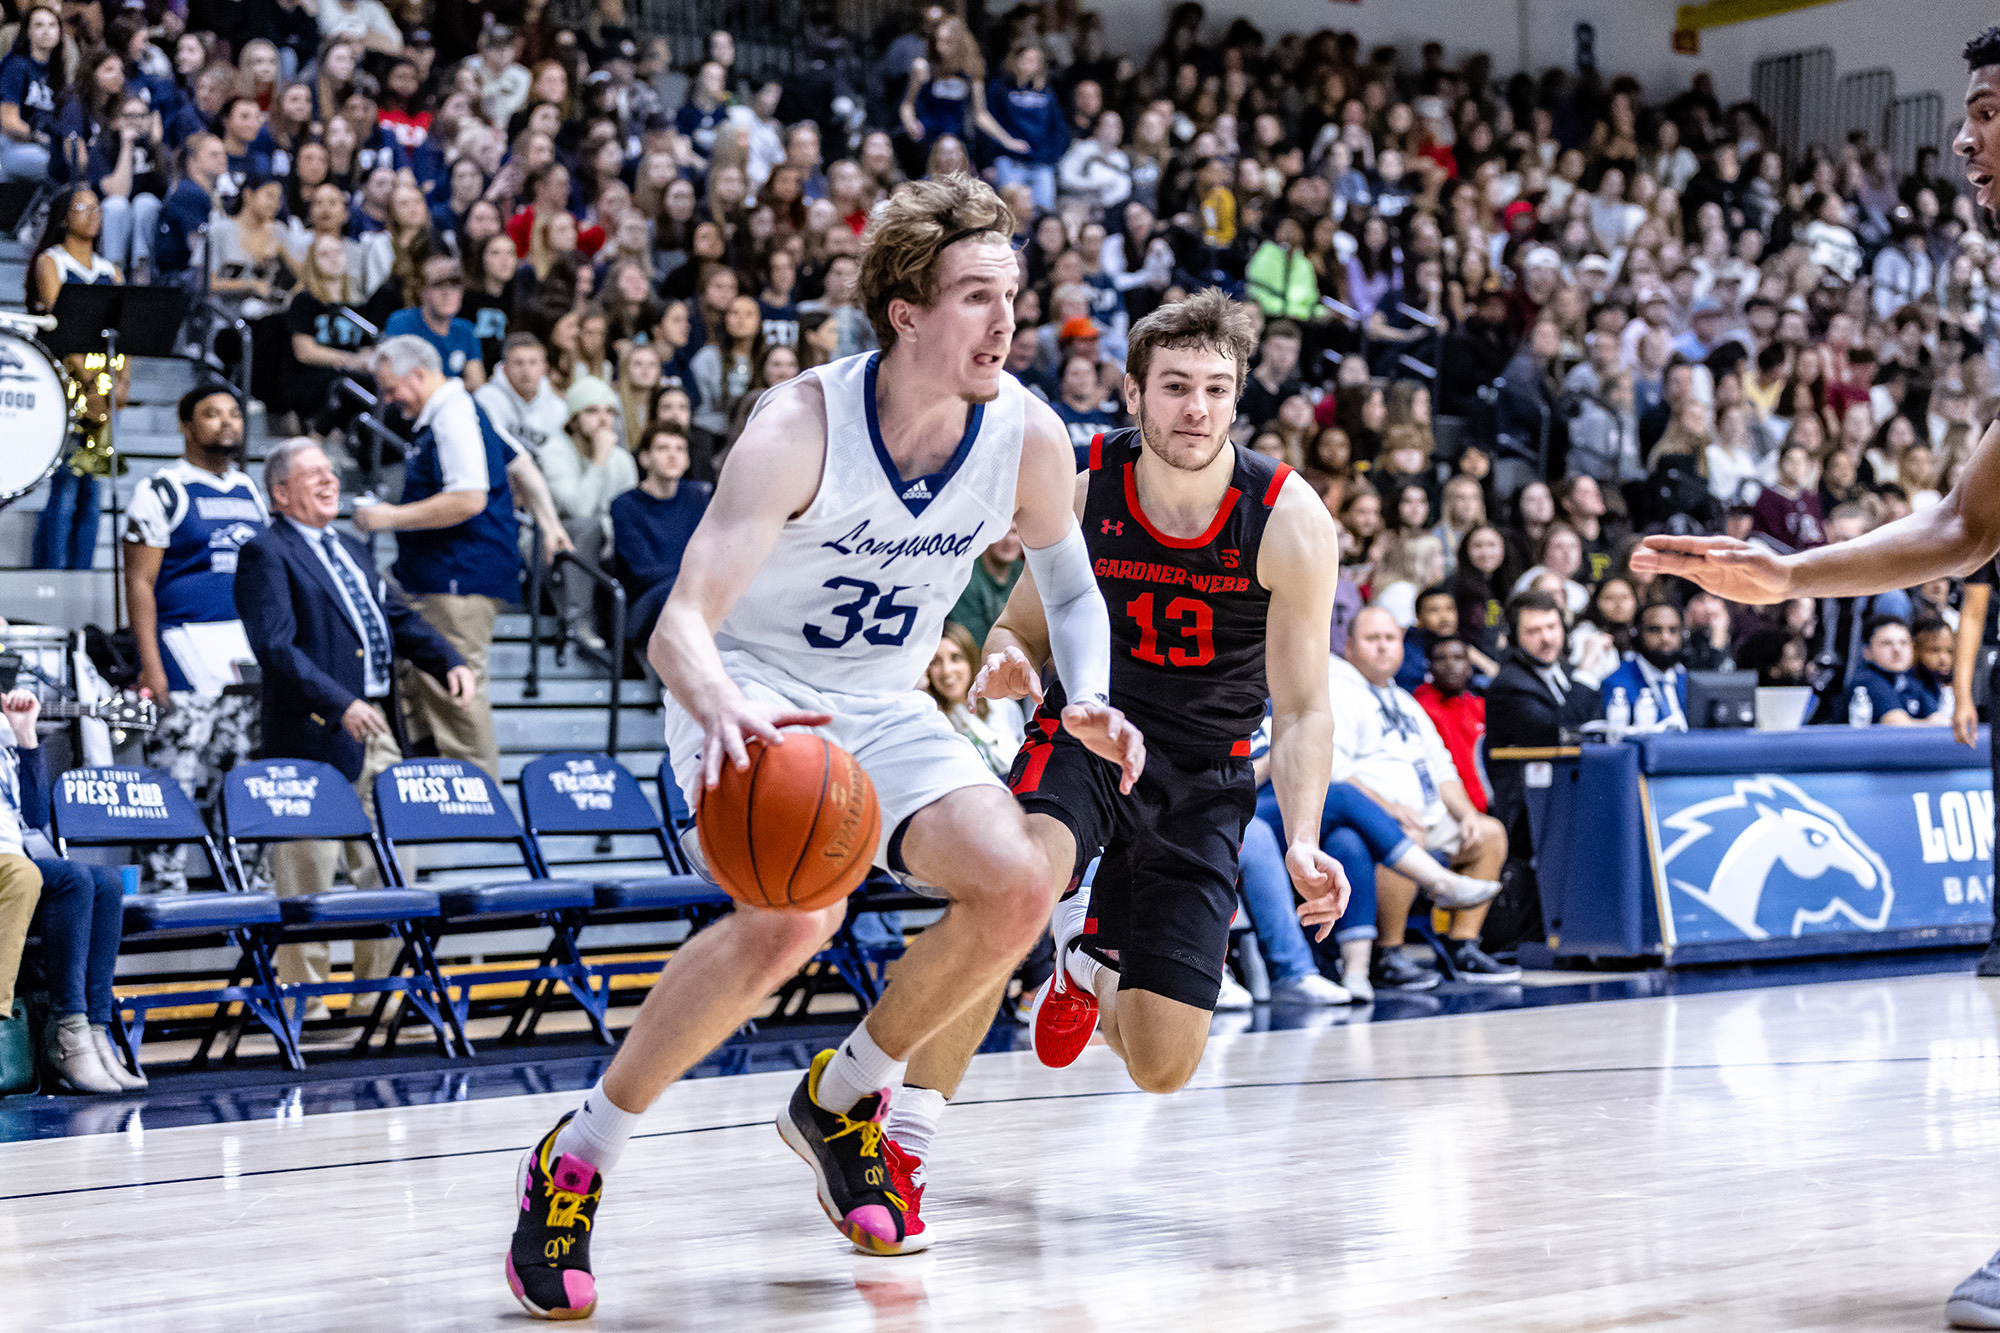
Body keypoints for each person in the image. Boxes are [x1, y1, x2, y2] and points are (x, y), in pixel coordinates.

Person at [504, 175, 1145, 1317]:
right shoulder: (800, 424)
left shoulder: (1026, 434)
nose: (1005, 323)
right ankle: (579, 1155)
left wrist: (1086, 693)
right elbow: (678, 624)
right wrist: (724, 710)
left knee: (1015, 882)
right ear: (904, 310)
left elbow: (1074, 590)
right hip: (748, 686)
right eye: (973, 297)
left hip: (884, 699)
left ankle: (844, 1094)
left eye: (1012, 295)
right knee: (798, 913)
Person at [886, 288, 1350, 1231]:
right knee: (1007, 889)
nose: (1197, 410)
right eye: (1175, 387)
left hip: (1206, 775)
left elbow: (1303, 707)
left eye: (1217, 389)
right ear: (1132, 395)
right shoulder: (1089, 482)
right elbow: (1016, 631)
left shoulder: (1288, 517)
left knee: (1163, 1060)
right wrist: (1011, 664)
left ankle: (1085, 960)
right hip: (1088, 733)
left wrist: (1300, 838)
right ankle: (905, 1140)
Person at [234, 438, 475, 1005]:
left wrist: (450, 659)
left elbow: (394, 617)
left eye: (330, 470)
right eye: (311, 473)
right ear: (280, 491)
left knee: (390, 872)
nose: (328, 480)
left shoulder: (350, 548)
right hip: (312, 736)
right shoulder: (265, 552)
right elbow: (276, 649)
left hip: (379, 732)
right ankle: (302, 1001)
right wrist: (339, 701)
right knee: (306, 879)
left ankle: (381, 997)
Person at [122, 385, 268, 893]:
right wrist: (151, 663)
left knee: (242, 776)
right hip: (182, 650)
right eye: (211, 414)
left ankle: (246, 886)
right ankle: (165, 886)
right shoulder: (161, 490)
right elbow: (139, 581)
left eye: (233, 414)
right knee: (175, 775)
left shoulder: (251, 491)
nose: (227, 423)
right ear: (185, 425)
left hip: (242, 656)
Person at [351, 336, 516, 782]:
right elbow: (520, 464)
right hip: (438, 574)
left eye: (391, 389)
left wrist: (389, 517)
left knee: (456, 685)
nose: (389, 401)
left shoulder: (454, 414)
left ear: (418, 374)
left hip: (457, 577)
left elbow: (468, 498)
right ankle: (434, 785)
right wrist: (547, 519)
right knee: (424, 677)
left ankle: (481, 805)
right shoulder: (457, 410)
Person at [1331, 607, 1516, 986]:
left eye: (1390, 639)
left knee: (1490, 832)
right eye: (1372, 639)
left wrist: (1465, 813)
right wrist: (1387, 811)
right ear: (1349, 647)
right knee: (1406, 835)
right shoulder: (1338, 693)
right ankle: (1389, 953)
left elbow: (1442, 769)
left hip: (1429, 815)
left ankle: (1461, 946)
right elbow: (1337, 772)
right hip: (1376, 821)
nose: (1383, 648)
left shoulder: (1406, 701)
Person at [1483, 590, 1602, 850]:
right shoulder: (1508, 684)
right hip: (1529, 811)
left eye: (1552, 627)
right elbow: (1554, 732)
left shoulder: (1568, 672)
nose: (1546, 638)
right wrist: (1588, 668)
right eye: (1533, 631)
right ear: (1515, 636)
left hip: (1571, 793)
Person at [540, 376, 639, 651]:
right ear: (573, 418)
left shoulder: (622, 460)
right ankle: (577, 622)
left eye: (609, 411)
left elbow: (628, 514)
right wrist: (599, 460)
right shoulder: (555, 451)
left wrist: (608, 533)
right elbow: (578, 509)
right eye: (592, 411)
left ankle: (632, 638)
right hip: (552, 545)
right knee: (586, 526)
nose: (603, 419)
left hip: (601, 544)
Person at [609, 421, 710, 646]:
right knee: (674, 592)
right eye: (663, 448)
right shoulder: (625, 505)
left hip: (694, 596)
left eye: (680, 449)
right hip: (645, 605)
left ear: (687, 460)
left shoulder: (698, 498)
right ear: (645, 458)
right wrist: (695, 581)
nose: (672, 455)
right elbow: (643, 570)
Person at [0, 693, 50, 1079]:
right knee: (25, 876)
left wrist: (24, 735)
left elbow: (35, 817)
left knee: (97, 883)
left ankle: (80, 1031)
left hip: (13, 850)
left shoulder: (5, 726)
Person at [383, 255, 488, 388]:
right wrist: (457, 385)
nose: (447, 293)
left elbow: (477, 382)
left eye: (454, 286)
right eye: (438, 285)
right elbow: (406, 380)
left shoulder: (465, 329)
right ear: (422, 291)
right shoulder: (402, 322)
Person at [1413, 636, 1488, 812]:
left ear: (1470, 666)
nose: (1450, 665)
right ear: (1429, 666)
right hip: (1446, 807)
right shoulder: (1419, 707)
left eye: (1458, 658)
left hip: (1487, 805)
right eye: (1441, 659)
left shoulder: (1480, 706)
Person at [1600, 600, 1691, 730]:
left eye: (1673, 630)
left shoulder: (1689, 682)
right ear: (1636, 633)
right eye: (1655, 630)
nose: (1665, 638)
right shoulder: (1616, 683)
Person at [1846, 615, 1944, 726]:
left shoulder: (1910, 680)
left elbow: (1937, 719)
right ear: (1867, 652)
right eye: (1887, 643)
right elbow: (1898, 725)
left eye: (1903, 643)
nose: (1897, 649)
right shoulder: (1866, 680)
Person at [945, 524, 1024, 645]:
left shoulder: (1024, 572)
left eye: (1014, 532)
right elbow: (972, 643)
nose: (1009, 540)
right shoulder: (967, 577)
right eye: (1002, 533)